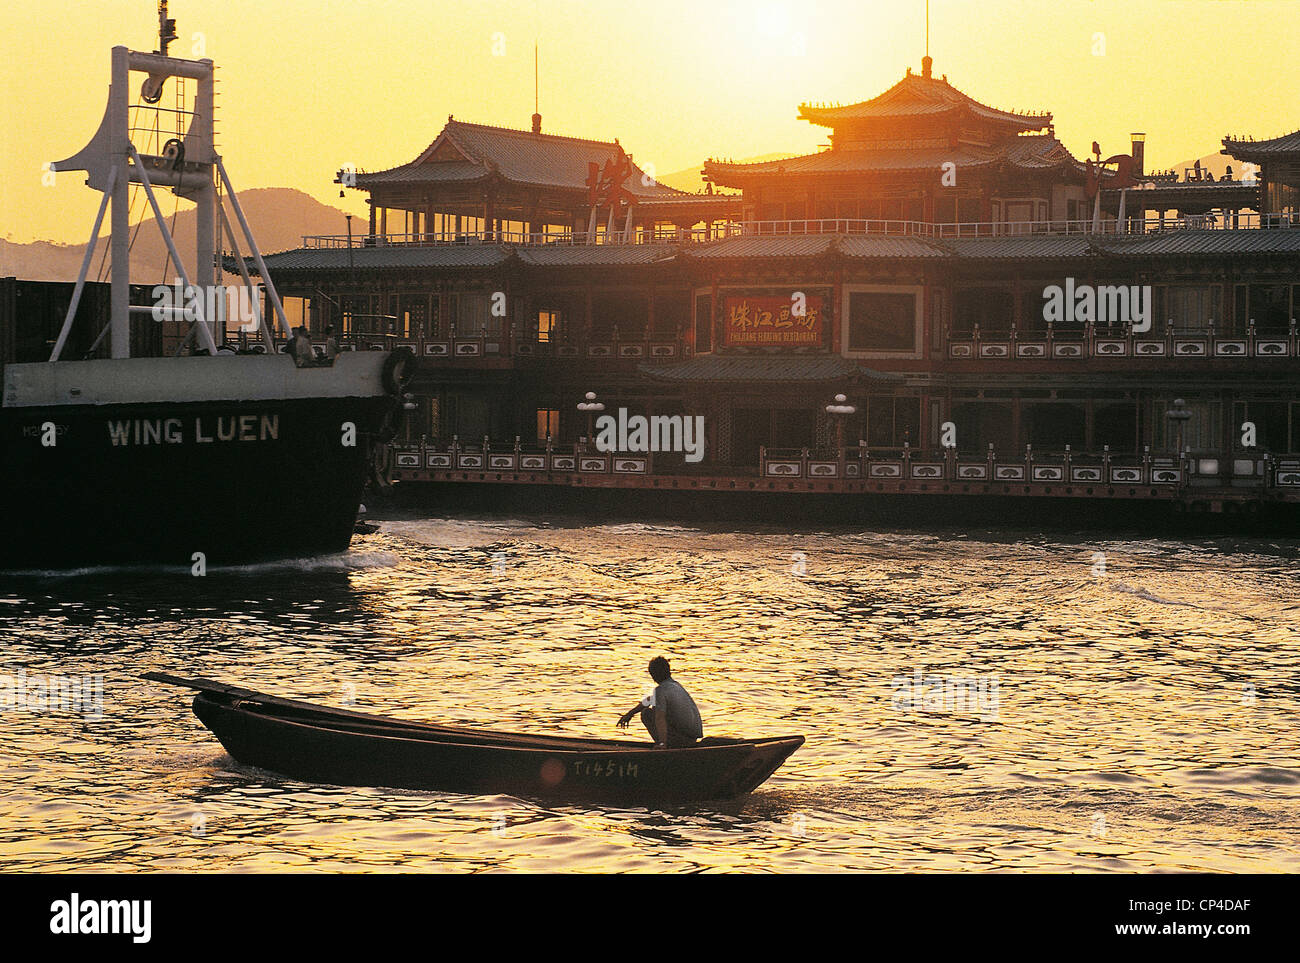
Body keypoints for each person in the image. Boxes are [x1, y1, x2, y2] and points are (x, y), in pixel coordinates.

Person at [617, 656, 703, 748]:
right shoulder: (675, 685)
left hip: (682, 740)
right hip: (691, 738)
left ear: (653, 675)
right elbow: (649, 700)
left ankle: (665, 745)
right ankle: (667, 742)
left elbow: (659, 718)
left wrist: (662, 743)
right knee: (651, 708)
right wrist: (630, 714)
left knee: (646, 713)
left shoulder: (660, 690)